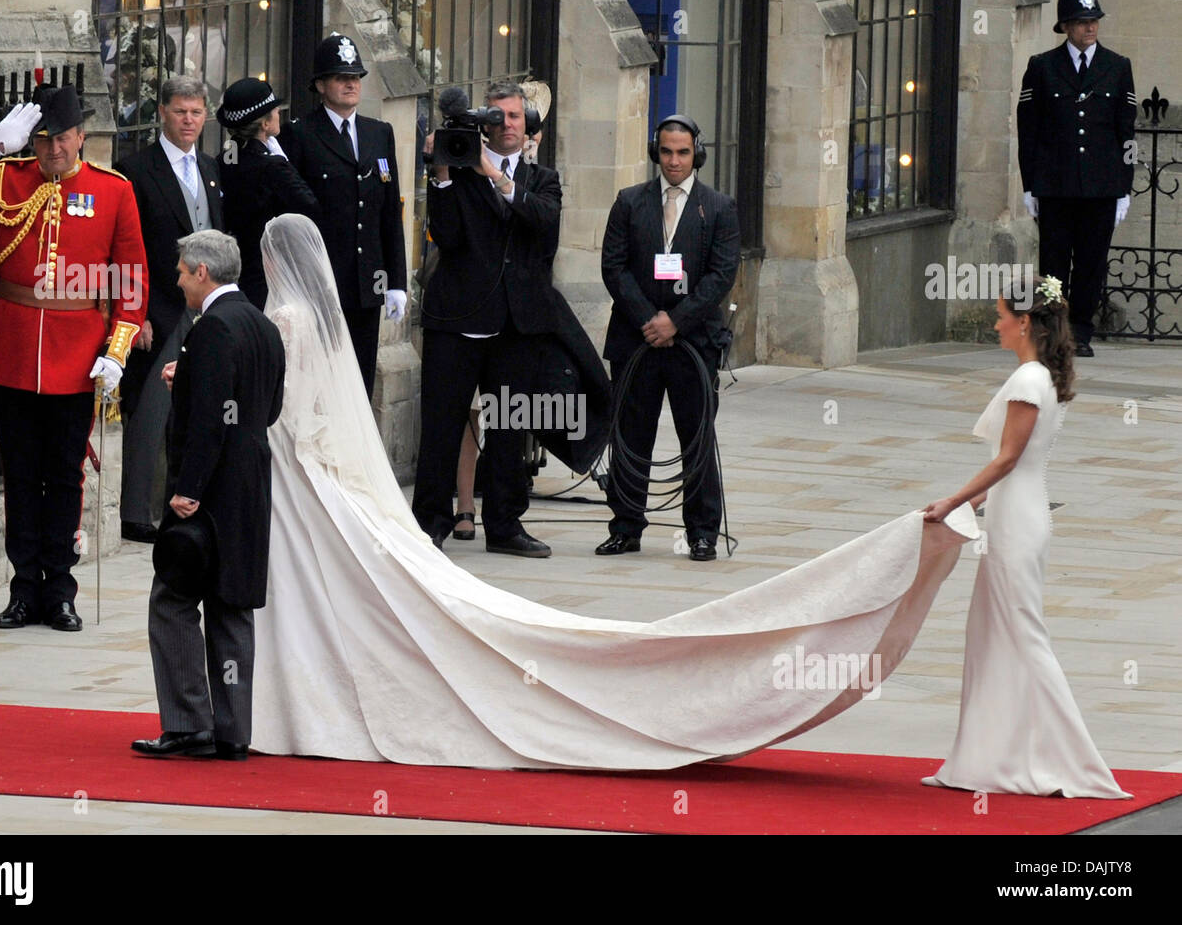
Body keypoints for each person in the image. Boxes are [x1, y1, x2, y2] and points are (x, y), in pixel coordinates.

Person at [247, 213, 977, 770]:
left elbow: (289, 409)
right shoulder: (319, 322)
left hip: (301, 469)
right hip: (319, 471)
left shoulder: (283, 320)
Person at [0, 84, 148, 632]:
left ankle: (60, 590)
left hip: (77, 355)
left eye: (62, 139)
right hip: (13, 350)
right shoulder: (5, 179)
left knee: (64, 476)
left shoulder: (112, 189)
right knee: (20, 475)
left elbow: (131, 281)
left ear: (81, 138)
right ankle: (23, 589)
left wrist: (117, 351)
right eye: (43, 140)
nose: (52, 151)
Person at [921, 276, 1130, 798]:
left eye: (1000, 316)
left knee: (1022, 636)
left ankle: (1076, 762)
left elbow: (1007, 459)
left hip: (1017, 524)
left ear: (1025, 323)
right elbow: (1014, 468)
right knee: (994, 636)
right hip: (1021, 513)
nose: (995, 325)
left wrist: (951, 500)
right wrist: (968, 505)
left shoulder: (1028, 381)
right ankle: (988, 758)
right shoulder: (1044, 378)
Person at [132, 230, 285, 760]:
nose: (176, 280)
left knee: (172, 599)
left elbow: (210, 425)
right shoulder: (261, 323)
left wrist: (187, 491)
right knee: (231, 605)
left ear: (202, 272)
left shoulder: (214, 326)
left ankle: (188, 722)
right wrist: (190, 380)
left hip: (210, 493)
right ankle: (232, 732)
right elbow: (263, 409)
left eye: (179, 271)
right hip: (249, 486)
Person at [411, 81, 562, 558]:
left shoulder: (543, 180)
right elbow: (449, 237)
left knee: (511, 427)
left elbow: (543, 225)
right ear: (482, 125)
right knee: (440, 425)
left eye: (515, 117)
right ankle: (430, 521)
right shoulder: (458, 171)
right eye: (497, 119)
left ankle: (504, 524)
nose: (508, 126)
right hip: (455, 319)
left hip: (516, 324)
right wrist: (443, 174)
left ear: (528, 123)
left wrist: (495, 176)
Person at [597, 114, 739, 562]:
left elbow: (721, 275)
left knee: (695, 436)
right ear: (654, 152)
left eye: (682, 152)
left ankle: (701, 532)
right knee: (630, 437)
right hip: (636, 340)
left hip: (693, 343)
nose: (674, 161)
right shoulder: (629, 202)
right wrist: (649, 320)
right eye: (665, 152)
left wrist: (676, 321)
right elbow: (613, 266)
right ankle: (625, 526)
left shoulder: (718, 207)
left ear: (695, 152)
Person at [115, 75, 224, 544]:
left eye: (197, 112)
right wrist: (133, 312)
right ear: (162, 111)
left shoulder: (214, 168)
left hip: (206, 307)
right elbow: (125, 248)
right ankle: (135, 514)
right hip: (157, 308)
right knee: (150, 411)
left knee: (197, 407)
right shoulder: (135, 170)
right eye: (180, 111)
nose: (188, 120)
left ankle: (183, 504)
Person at [280, 32, 409, 394]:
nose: (351, 84)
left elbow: (388, 212)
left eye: (355, 77)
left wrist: (396, 280)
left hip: (367, 283)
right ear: (321, 85)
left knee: (359, 385)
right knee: (321, 386)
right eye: (341, 77)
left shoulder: (378, 133)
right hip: (321, 284)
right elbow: (293, 219)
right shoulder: (301, 134)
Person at [1018, 0, 1136, 358]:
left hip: (1101, 186)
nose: (1090, 27)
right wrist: (1029, 185)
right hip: (1056, 184)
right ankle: (1054, 333)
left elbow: (1126, 133)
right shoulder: (1042, 66)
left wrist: (1124, 188)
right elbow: (1029, 131)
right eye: (1082, 21)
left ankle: (1081, 331)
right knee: (1054, 264)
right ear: (1065, 26)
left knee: (1091, 262)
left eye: (1094, 20)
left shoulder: (1117, 66)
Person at [217, 77, 318, 308]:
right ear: (264, 124)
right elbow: (310, 206)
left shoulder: (221, 162)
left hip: (232, 275)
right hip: (268, 276)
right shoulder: (272, 166)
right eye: (275, 110)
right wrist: (282, 162)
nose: (279, 114)